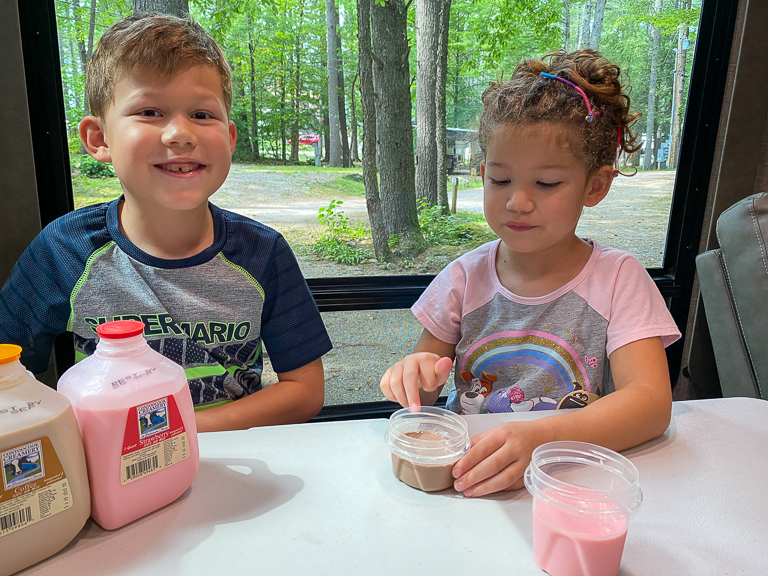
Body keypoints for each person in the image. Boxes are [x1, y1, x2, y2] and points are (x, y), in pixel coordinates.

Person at [0, 14, 332, 432]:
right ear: (99, 139)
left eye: (202, 114)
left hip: (236, 464)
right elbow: (8, 376)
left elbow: (304, 388)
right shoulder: (63, 251)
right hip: (111, 469)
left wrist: (180, 431)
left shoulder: (263, 252)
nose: (179, 133)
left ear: (229, 139)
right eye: (150, 111)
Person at [380, 50, 681, 497]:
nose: (517, 202)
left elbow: (651, 404)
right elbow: (421, 400)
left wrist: (538, 440)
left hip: (567, 483)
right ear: (482, 175)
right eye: (500, 181)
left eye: (546, 184)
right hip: (467, 479)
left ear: (595, 186)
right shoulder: (464, 278)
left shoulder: (619, 278)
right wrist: (415, 374)